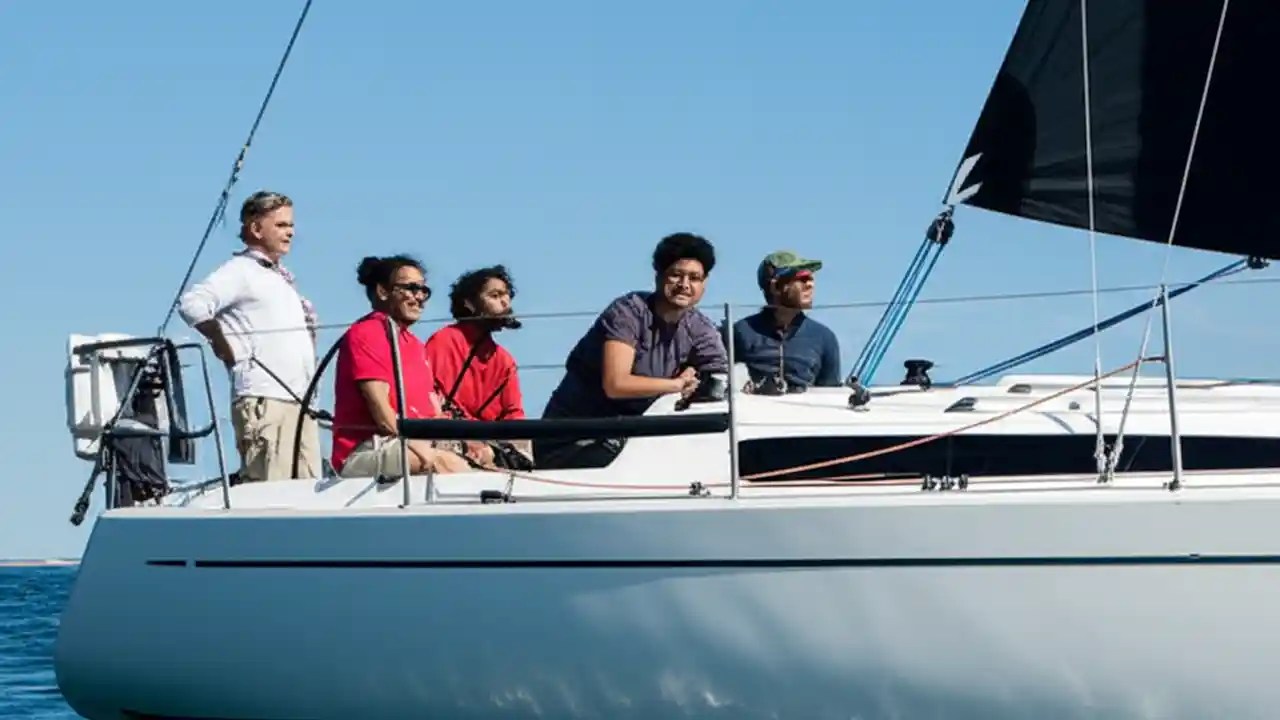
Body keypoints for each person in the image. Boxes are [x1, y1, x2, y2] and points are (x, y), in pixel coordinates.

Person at [536, 232, 728, 469]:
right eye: (676, 275)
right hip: (575, 440)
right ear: (658, 276)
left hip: (634, 440)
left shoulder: (700, 327)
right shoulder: (627, 313)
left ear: (704, 283)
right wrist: (676, 385)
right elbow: (616, 384)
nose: (684, 285)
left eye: (694, 278)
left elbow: (722, 378)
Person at [177, 190, 321, 482]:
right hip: (264, 397)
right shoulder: (241, 271)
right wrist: (221, 342)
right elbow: (192, 302)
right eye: (281, 225)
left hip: (299, 400)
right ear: (256, 229)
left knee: (307, 492)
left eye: (291, 225)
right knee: (272, 492)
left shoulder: (278, 277)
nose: (290, 232)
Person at [330, 254, 479, 479]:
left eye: (423, 291)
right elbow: (383, 416)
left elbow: (434, 414)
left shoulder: (416, 346)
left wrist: (468, 444)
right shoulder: (368, 333)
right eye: (411, 288)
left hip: (413, 444)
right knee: (445, 463)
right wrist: (425, 450)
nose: (419, 297)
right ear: (383, 291)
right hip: (366, 450)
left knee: (483, 455)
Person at [425, 265, 526, 422]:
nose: (505, 302)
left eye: (507, 295)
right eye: (495, 295)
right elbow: (432, 400)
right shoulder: (444, 341)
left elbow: (514, 415)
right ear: (469, 303)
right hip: (448, 434)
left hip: (491, 441)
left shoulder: (505, 360)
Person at [732, 250, 842, 392]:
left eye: (811, 278)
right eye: (802, 278)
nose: (810, 284)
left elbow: (831, 396)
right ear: (775, 287)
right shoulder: (740, 332)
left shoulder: (825, 338)